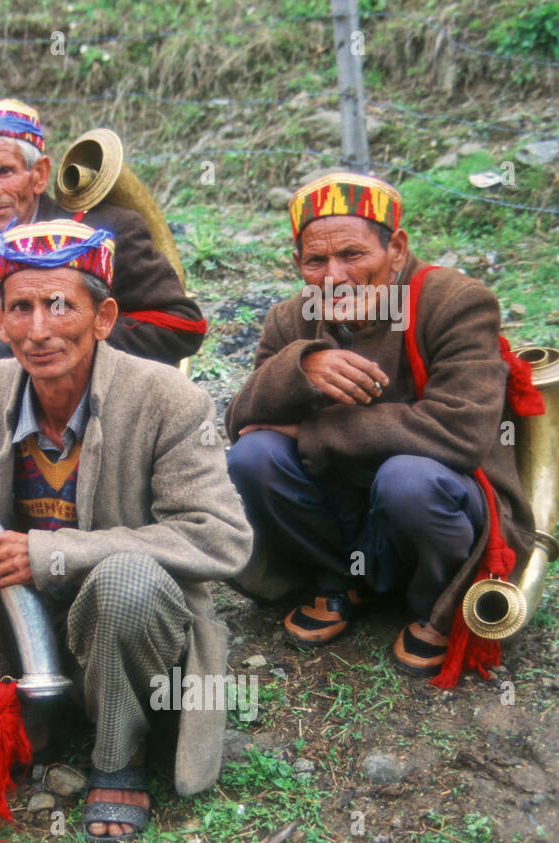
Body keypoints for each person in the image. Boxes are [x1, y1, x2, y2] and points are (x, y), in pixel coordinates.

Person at [0, 220, 252, 841]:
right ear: (0, 319)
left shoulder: (169, 400)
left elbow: (219, 536)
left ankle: (118, 753)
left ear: (103, 316)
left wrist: (51, 553)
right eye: (20, 307)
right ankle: (9, 731)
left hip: (128, 628)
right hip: (23, 625)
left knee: (126, 579)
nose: (38, 330)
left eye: (60, 305)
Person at [224, 172, 535, 681]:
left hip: (440, 496)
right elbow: (240, 419)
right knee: (253, 457)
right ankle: (342, 579)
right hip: (347, 502)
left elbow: (461, 434)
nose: (335, 276)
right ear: (297, 261)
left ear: (396, 246)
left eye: (353, 254)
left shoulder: (453, 301)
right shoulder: (290, 320)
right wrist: (301, 368)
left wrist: (314, 432)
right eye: (316, 260)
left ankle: (434, 600)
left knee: (408, 479)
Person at [0, 99, 206, 460]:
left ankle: (39, 462)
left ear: (40, 175)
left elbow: (183, 326)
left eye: (4, 171)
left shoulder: (102, 229)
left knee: (3, 338)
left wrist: (72, 329)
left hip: (89, 408)